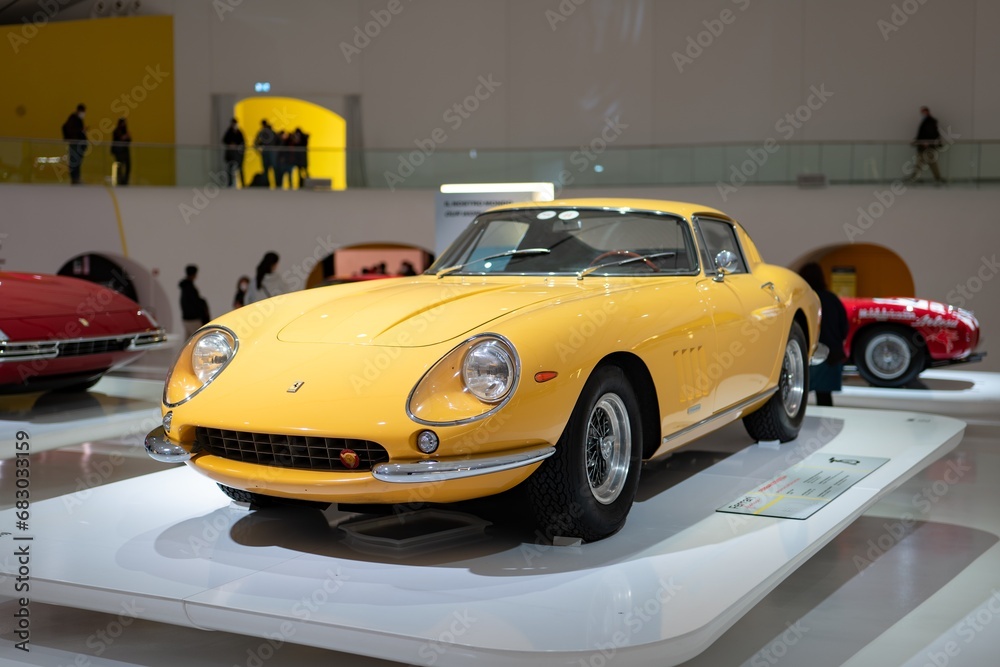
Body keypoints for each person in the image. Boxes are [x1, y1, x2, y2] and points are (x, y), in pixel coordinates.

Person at [799, 262, 848, 406]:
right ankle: (825, 425)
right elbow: (843, 327)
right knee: (825, 397)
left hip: (806, 354)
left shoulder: (802, 300)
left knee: (799, 395)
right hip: (830, 356)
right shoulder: (831, 298)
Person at [907, 106, 945, 184]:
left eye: (924, 112)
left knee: (921, 163)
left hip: (926, 147)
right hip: (927, 146)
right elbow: (927, 134)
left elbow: (929, 134)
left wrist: (925, 142)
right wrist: (917, 141)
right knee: (930, 163)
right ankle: (937, 178)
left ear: (927, 112)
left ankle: (914, 177)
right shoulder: (928, 121)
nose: (922, 113)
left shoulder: (929, 122)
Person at [179, 264, 210, 338]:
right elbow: (195, 304)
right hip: (193, 319)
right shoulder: (190, 288)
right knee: (198, 339)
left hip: (186, 318)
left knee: (188, 341)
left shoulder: (184, 287)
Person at [61, 103, 88, 185]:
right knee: (74, 161)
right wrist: (80, 131)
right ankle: (74, 178)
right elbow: (70, 130)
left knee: (77, 161)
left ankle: (77, 178)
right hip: (75, 144)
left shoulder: (77, 119)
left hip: (79, 144)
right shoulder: (73, 119)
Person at [222, 118, 246, 188]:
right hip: (231, 154)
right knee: (230, 169)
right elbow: (224, 140)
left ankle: (243, 184)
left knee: (240, 168)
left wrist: (237, 146)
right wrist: (230, 144)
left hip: (238, 154)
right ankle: (230, 183)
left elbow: (243, 142)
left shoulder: (239, 132)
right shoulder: (229, 132)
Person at [254, 119, 276, 187]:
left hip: (271, 153)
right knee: (267, 169)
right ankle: (267, 184)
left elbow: (256, 142)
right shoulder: (263, 132)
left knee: (272, 169)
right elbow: (256, 142)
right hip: (267, 153)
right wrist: (258, 149)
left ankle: (272, 184)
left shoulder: (269, 132)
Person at [111, 118, 132, 185]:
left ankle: (125, 180)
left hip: (125, 151)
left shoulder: (125, 131)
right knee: (119, 165)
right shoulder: (116, 131)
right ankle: (119, 180)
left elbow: (129, 140)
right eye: (123, 123)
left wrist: (127, 137)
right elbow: (118, 138)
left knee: (128, 165)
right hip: (118, 151)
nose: (124, 124)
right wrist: (124, 137)